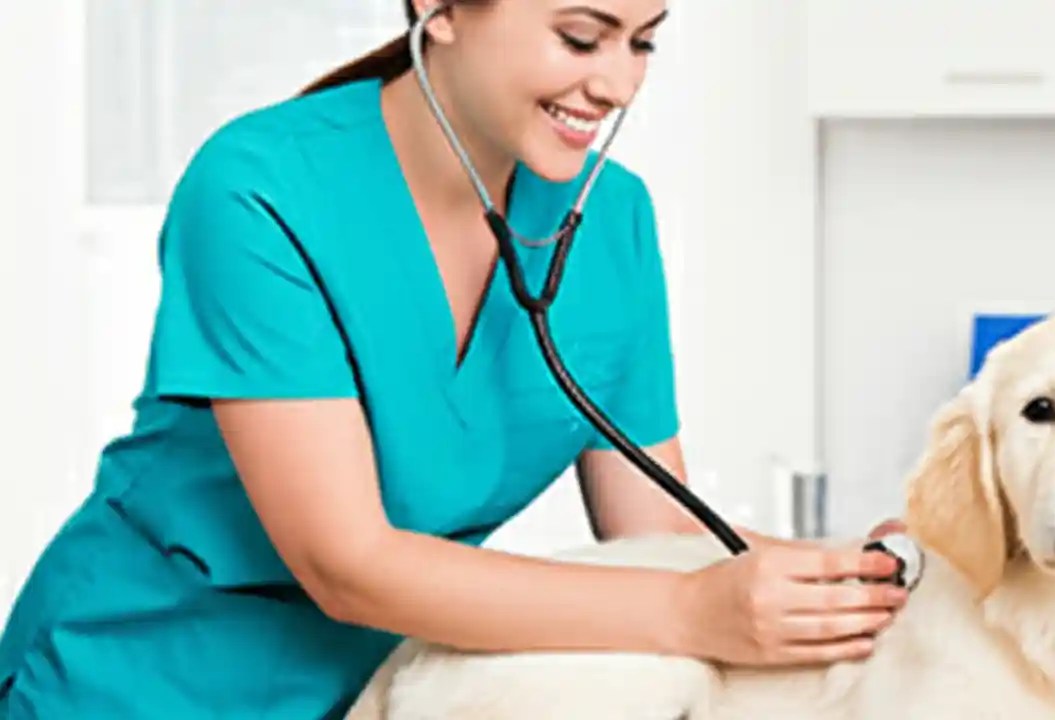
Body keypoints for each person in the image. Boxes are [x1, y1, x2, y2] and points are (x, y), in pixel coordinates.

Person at [0, 1, 910, 717]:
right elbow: (345, 562)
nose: (618, 84)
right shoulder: (257, 189)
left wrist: (867, 574)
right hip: (141, 677)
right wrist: (690, 614)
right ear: (437, 5)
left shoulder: (609, 218)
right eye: (582, 36)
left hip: (380, 689)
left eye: (642, 43)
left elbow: (660, 536)